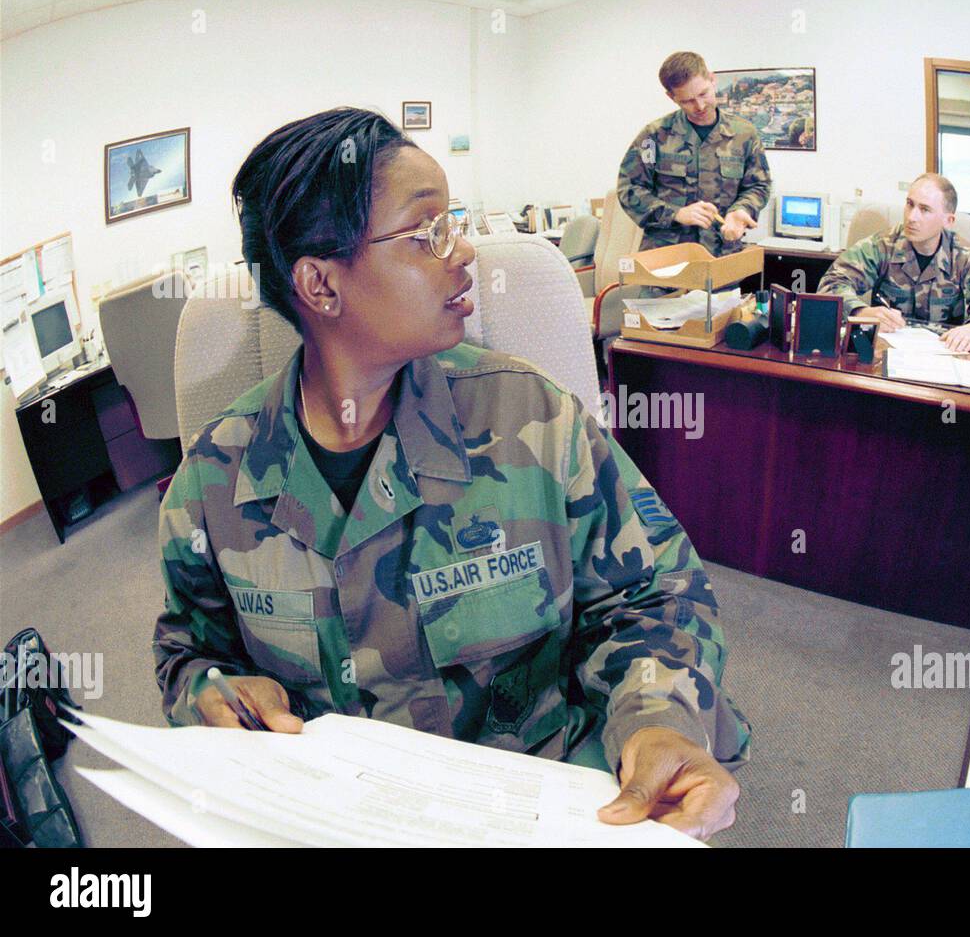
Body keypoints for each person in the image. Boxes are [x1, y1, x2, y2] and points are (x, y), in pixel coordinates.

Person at [153, 107, 750, 840]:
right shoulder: (213, 482)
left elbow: (656, 593)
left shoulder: (532, 418)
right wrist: (209, 694)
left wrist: (656, 718)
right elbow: (189, 650)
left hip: (545, 813)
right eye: (428, 231)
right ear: (320, 284)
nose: (464, 252)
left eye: (456, 222)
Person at [817, 173, 970, 353]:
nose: (911, 217)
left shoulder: (967, 258)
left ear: (948, 221)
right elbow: (831, 284)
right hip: (884, 352)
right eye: (910, 204)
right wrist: (861, 311)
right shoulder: (881, 246)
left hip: (943, 355)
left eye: (924, 209)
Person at [617, 51, 771, 255]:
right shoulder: (654, 136)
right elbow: (629, 189)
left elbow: (758, 185)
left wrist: (742, 210)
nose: (699, 106)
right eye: (687, 101)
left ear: (712, 79)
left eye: (703, 94)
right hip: (666, 257)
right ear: (671, 97)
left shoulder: (744, 134)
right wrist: (675, 214)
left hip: (721, 255)